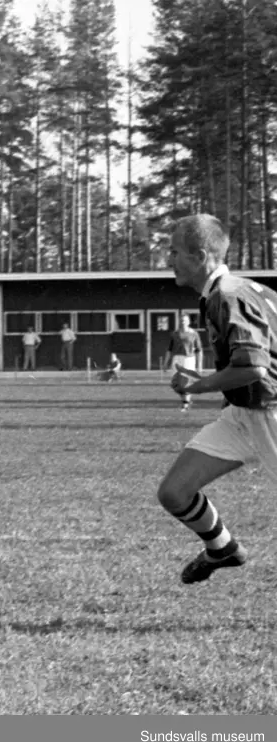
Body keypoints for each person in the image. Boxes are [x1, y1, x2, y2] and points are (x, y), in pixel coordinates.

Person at [157, 213, 277, 585]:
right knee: (175, 492)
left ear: (201, 254)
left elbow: (253, 368)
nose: (168, 259)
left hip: (270, 412)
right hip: (244, 412)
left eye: (175, 251)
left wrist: (197, 386)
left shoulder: (226, 295)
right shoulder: (240, 289)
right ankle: (222, 548)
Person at [163, 314, 203, 411]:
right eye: (181, 320)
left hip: (189, 359)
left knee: (186, 383)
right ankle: (185, 401)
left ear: (188, 322)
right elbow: (169, 350)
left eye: (185, 320)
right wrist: (165, 363)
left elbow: (199, 350)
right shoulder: (175, 334)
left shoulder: (194, 334)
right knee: (177, 383)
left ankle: (185, 404)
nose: (183, 322)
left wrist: (199, 365)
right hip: (177, 359)